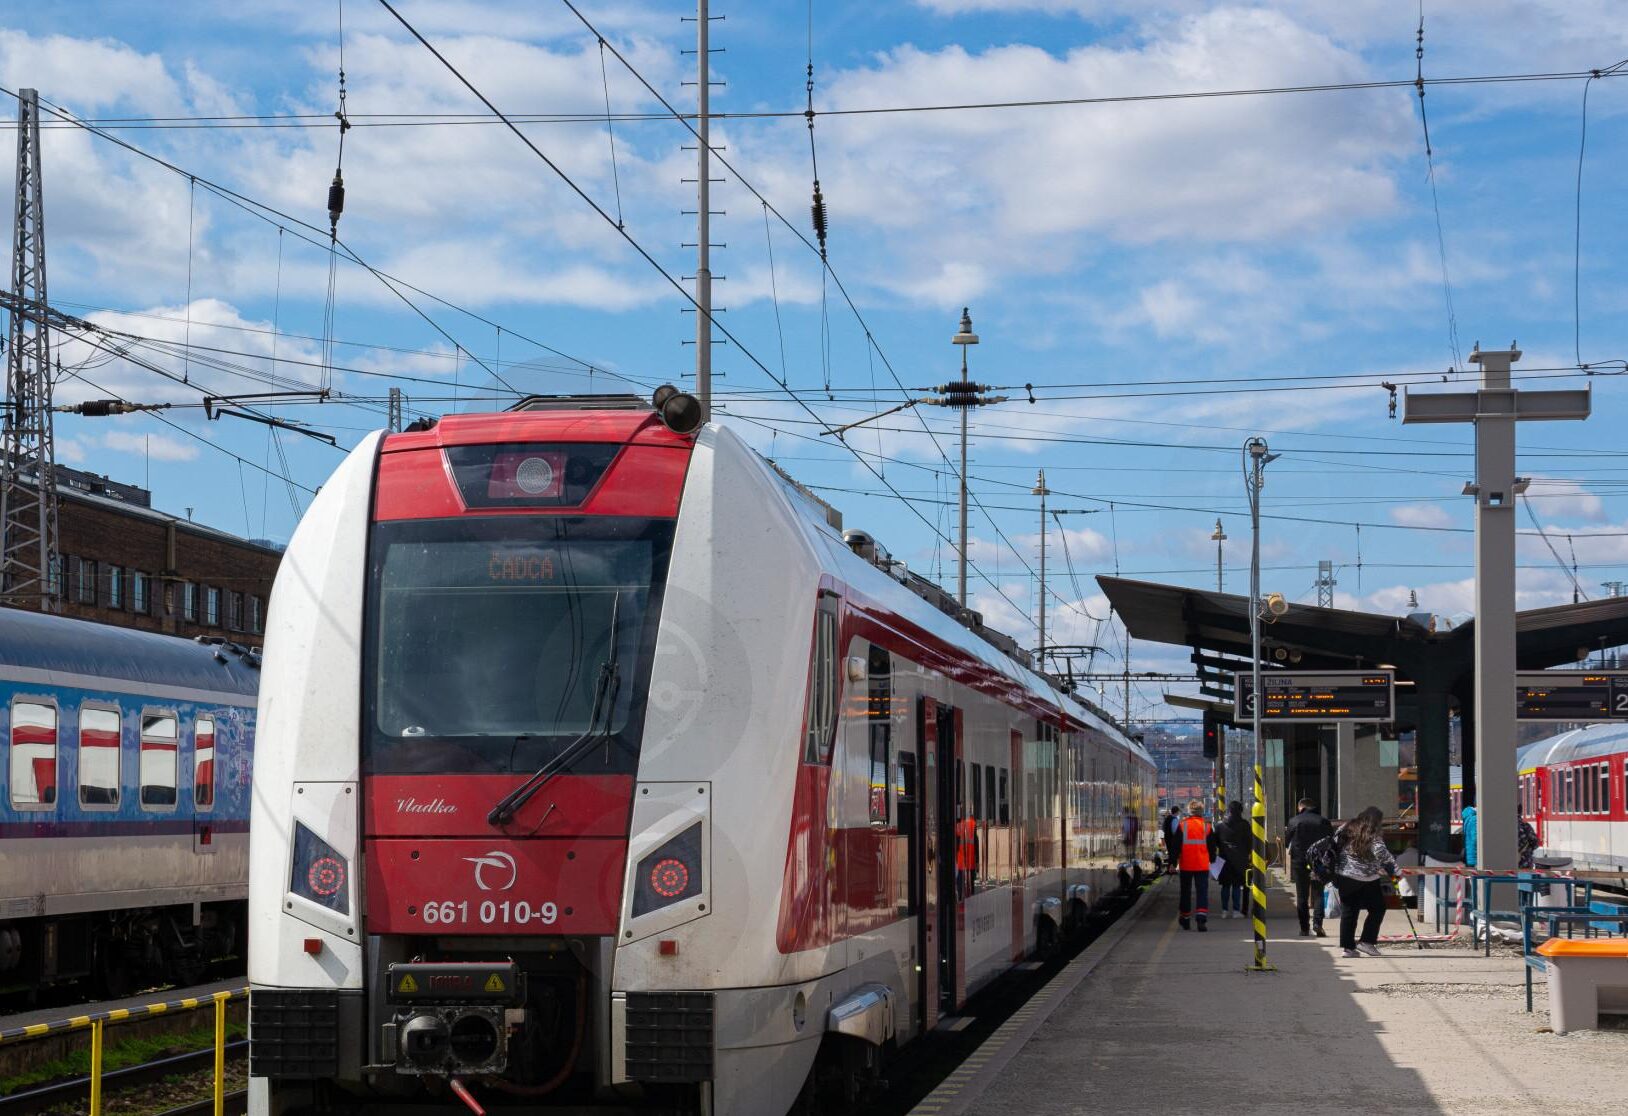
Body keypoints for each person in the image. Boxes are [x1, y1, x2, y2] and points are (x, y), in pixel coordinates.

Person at [1331, 805, 1399, 958]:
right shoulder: (1372, 832)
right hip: (1367, 877)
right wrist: (1395, 870)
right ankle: (1366, 942)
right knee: (1378, 908)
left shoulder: (1345, 827)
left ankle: (1348, 949)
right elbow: (1380, 852)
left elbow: (1334, 846)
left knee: (1349, 911)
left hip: (1345, 876)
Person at [1284, 798, 1335, 937]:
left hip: (1300, 862)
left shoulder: (1294, 821)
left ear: (1301, 808)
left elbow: (1287, 841)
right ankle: (1318, 924)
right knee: (1318, 893)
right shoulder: (1323, 821)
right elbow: (1332, 841)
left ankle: (1304, 928)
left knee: (1302, 896)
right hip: (1318, 863)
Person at [1176, 799, 1220, 931]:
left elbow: (1175, 845)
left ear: (1189, 811)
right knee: (1202, 892)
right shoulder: (1206, 827)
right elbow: (1212, 847)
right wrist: (1212, 859)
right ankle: (1201, 920)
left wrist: (1172, 862)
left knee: (1185, 892)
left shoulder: (1182, 825)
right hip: (1201, 865)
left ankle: (1185, 918)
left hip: (1186, 864)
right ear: (1202, 812)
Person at [1214, 800, 1250, 919]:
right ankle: (1236, 910)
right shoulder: (1245, 825)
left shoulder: (1220, 825)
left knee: (1225, 886)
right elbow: (1250, 842)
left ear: (1228, 811)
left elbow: (1216, 842)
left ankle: (1224, 911)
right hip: (1240, 859)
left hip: (1224, 859)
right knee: (1236, 886)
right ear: (1241, 811)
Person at [1163, 806, 1183, 873]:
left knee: (1170, 854)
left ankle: (1170, 869)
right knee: (1173, 855)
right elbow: (1175, 831)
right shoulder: (1174, 819)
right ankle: (1172, 869)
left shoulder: (1167, 818)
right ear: (1177, 812)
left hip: (1167, 838)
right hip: (1173, 840)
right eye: (1178, 812)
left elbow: (1164, 828)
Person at [1461, 803, 1478, 867]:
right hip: (1476, 857)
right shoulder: (1475, 819)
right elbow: (1476, 838)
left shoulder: (1469, 818)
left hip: (1471, 856)